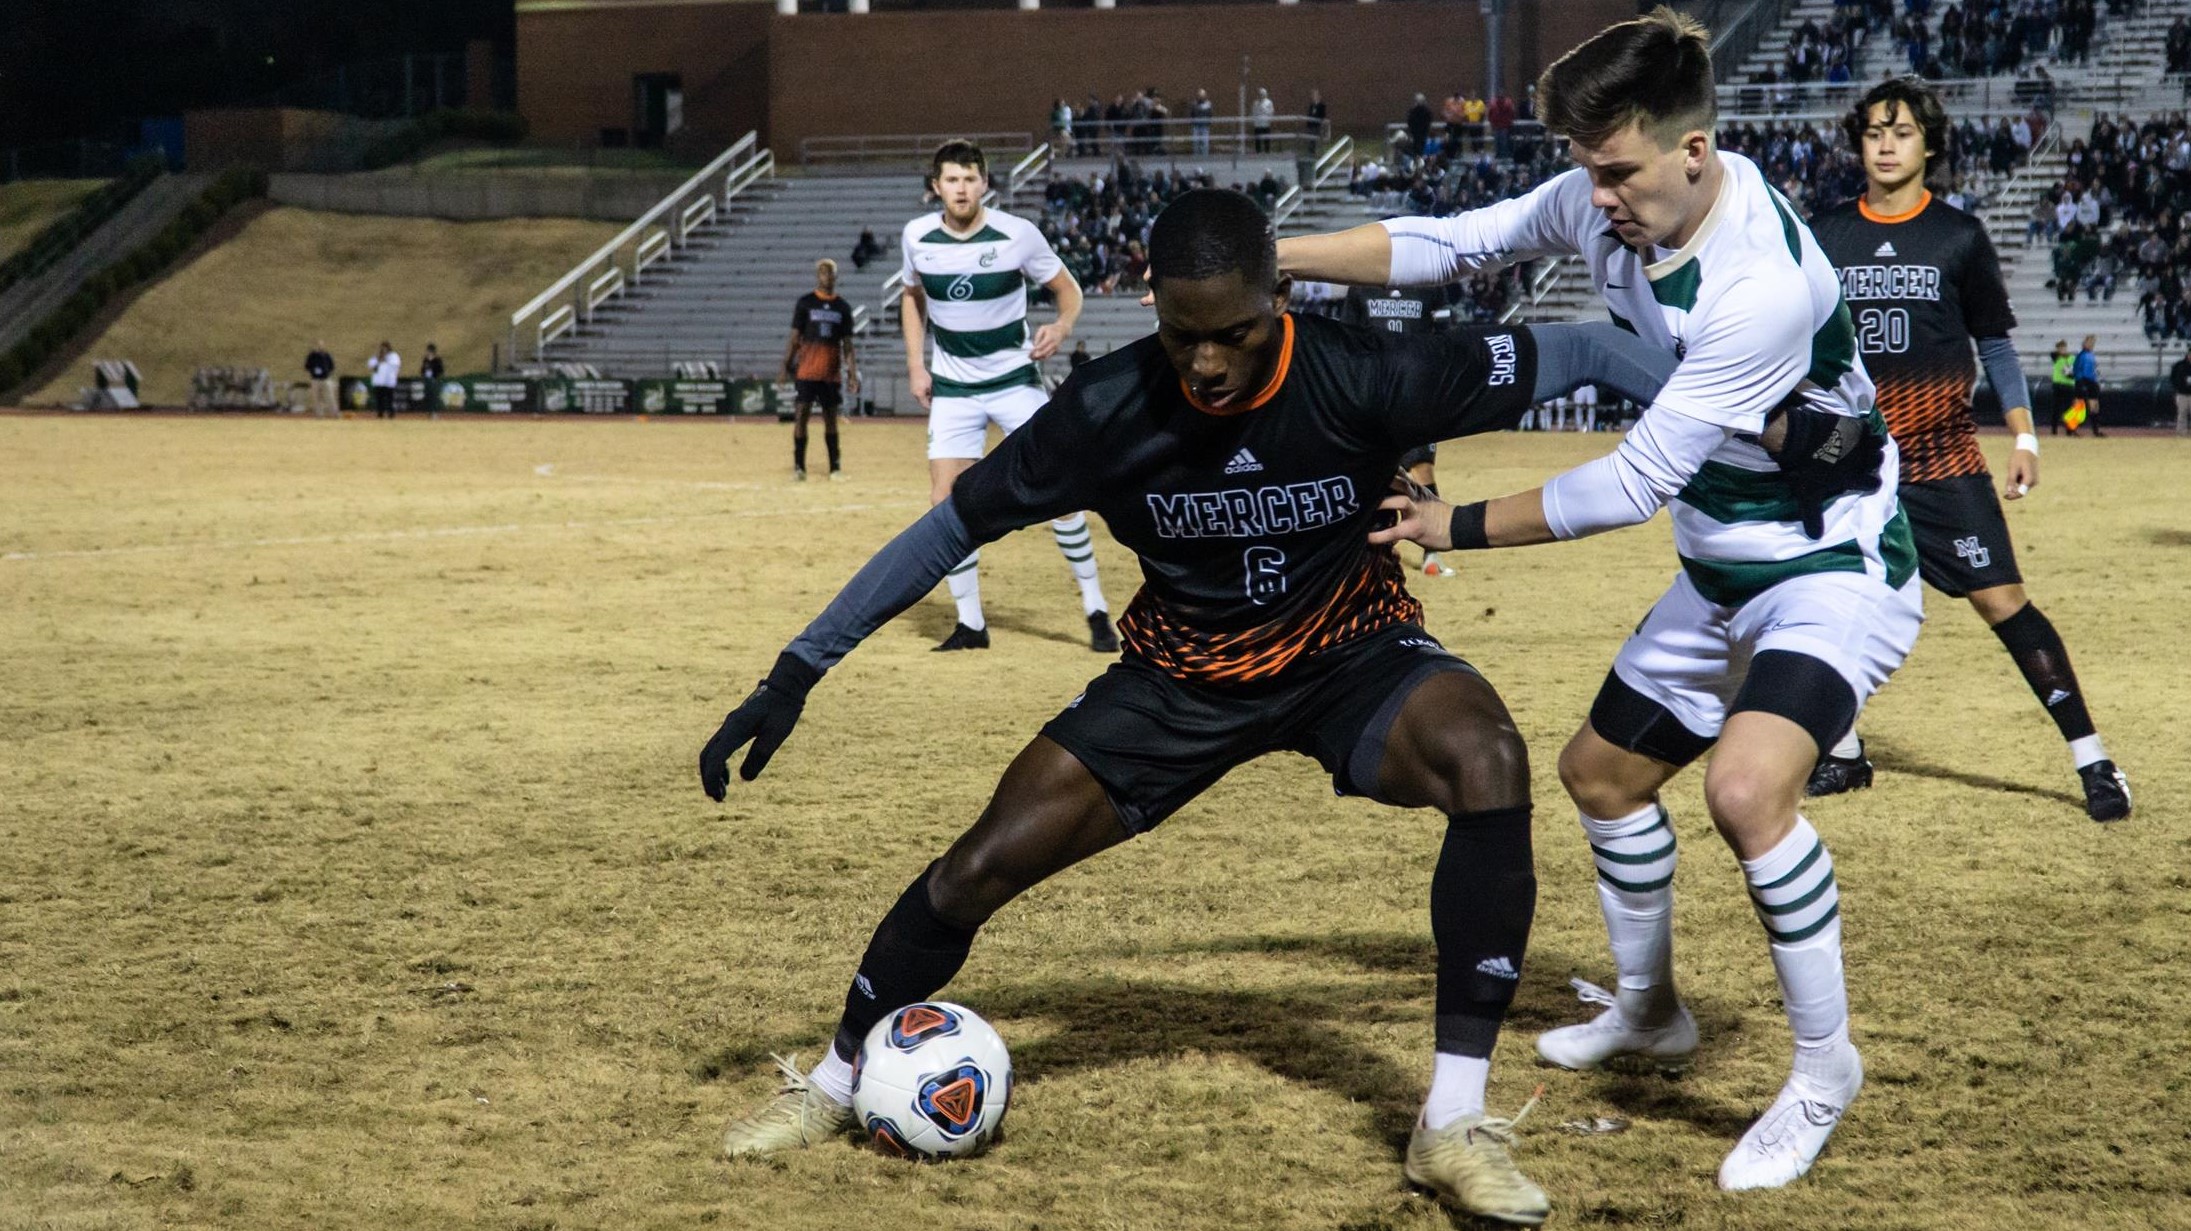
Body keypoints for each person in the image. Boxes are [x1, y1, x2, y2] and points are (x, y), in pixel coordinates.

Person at [704, 186, 1676, 1226]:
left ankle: (1450, 1122)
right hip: (1179, 679)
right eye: (1181, 337)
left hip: (1350, 654)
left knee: (1487, 756)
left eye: (1236, 335)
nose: (1207, 363)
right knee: (974, 867)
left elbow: (1589, 354)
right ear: (1150, 309)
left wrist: (1763, 410)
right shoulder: (1103, 411)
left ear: (1280, 298)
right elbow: (951, 529)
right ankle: (843, 1075)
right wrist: (796, 669)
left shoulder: (1368, 368)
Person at [1281, 7, 1912, 1191]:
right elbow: (1458, 242)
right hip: (1723, 562)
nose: (1596, 198)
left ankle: (1824, 1068)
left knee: (1742, 789)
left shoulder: (1757, 285)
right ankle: (1651, 1011)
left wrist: (1448, 523)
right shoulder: (1608, 191)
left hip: (1828, 567)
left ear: (1695, 151)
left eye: (1616, 171)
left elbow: (1627, 481)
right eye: (1585, 169)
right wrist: (1286, 257)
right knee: (1602, 776)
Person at [1807, 76, 2129, 820]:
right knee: (1822, 602)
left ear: (1927, 144)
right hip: (1848, 459)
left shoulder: (1957, 235)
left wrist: (2023, 435)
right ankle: (1844, 751)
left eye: (1902, 132)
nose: (1886, 145)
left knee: (2002, 602)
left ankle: (2093, 759)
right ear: (1859, 144)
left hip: (1938, 458)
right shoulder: (1822, 235)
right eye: (1874, 132)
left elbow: (1995, 343)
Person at [900, 140, 1115, 653]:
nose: (961, 188)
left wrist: (1062, 326)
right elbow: (912, 297)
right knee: (944, 500)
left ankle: (1096, 609)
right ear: (936, 187)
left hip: (1015, 382)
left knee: (1059, 488)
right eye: (952, 179)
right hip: (954, 389)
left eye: (970, 179)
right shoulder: (917, 237)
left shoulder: (1017, 235)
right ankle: (971, 623)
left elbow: (1069, 290)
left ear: (985, 184)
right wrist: (915, 364)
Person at [1341, 282, 1458, 578]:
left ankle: (1432, 553)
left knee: (1421, 470)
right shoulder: (1360, 288)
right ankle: (1358, 552)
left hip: (1417, 393)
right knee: (1367, 472)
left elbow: (1445, 339)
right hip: (1372, 395)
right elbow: (1347, 340)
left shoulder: (1431, 286)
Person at [784, 258, 858, 481]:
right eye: (824, 273)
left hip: (830, 374)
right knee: (801, 417)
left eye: (831, 273)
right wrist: (785, 365)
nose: (828, 277)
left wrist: (852, 373)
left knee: (830, 420)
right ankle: (799, 468)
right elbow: (795, 338)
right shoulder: (805, 303)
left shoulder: (842, 307)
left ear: (836, 277)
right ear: (818, 276)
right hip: (807, 372)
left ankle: (835, 468)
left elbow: (847, 344)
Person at [2068, 334, 2103, 436]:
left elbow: (2093, 370)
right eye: (2089, 342)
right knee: (2079, 406)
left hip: (2091, 382)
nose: (2091, 344)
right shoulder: (2081, 355)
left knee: (2094, 406)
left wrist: (2096, 380)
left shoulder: (2091, 355)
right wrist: (2080, 382)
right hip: (2082, 381)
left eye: (2092, 342)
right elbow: (2076, 369)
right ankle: (2071, 429)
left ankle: (2095, 431)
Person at [367, 341, 400, 419]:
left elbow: (395, 365)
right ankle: (380, 414)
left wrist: (385, 360)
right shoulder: (376, 357)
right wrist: (379, 359)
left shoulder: (393, 356)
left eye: (385, 348)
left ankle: (391, 414)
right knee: (379, 399)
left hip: (389, 382)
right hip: (379, 382)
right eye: (382, 348)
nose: (383, 350)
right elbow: (370, 365)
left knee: (389, 399)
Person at [2047, 339, 2073, 433]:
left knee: (2069, 409)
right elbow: (2052, 354)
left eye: (2063, 348)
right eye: (2060, 348)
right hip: (2058, 385)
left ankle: (2069, 430)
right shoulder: (2056, 357)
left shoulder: (2072, 358)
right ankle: (2054, 430)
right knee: (2056, 409)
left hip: (2069, 385)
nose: (2062, 350)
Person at [304, 341, 336, 418]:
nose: (320, 347)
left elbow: (332, 366)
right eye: (318, 345)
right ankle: (319, 415)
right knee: (317, 398)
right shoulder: (311, 356)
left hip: (326, 379)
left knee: (330, 397)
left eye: (321, 345)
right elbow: (307, 366)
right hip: (315, 380)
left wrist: (326, 371)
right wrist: (313, 370)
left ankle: (334, 414)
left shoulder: (327, 355)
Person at [2171, 344, 2191, 436]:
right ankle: (2181, 432)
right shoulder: (2179, 365)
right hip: (2182, 394)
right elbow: (2173, 378)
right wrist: (2178, 388)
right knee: (2182, 413)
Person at [1190, 88, 1214, 158]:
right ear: (1197, 96)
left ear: (1205, 96)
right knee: (1195, 142)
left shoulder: (1208, 104)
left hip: (1205, 126)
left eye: (1203, 95)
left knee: (1205, 142)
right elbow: (1192, 114)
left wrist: (1208, 122)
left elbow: (1210, 114)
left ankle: (1205, 157)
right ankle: (1196, 156)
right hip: (1196, 126)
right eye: (1200, 95)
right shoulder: (1194, 104)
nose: (1201, 97)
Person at [1251, 88, 1276, 154]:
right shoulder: (1255, 103)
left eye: (1262, 94)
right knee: (1257, 139)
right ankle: (1258, 151)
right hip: (1258, 124)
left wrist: (1268, 119)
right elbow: (1253, 112)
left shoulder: (1269, 102)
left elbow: (1271, 112)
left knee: (1267, 139)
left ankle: (1267, 151)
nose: (1261, 95)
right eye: (1260, 94)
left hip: (1266, 124)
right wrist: (1254, 121)